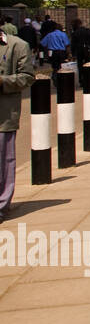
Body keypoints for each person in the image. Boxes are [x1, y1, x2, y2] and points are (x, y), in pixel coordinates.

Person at [1, 28, 37, 222]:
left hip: (3, 114)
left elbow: (28, 77)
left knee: (3, 162)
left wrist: (2, 82)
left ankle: (1, 205)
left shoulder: (17, 45)